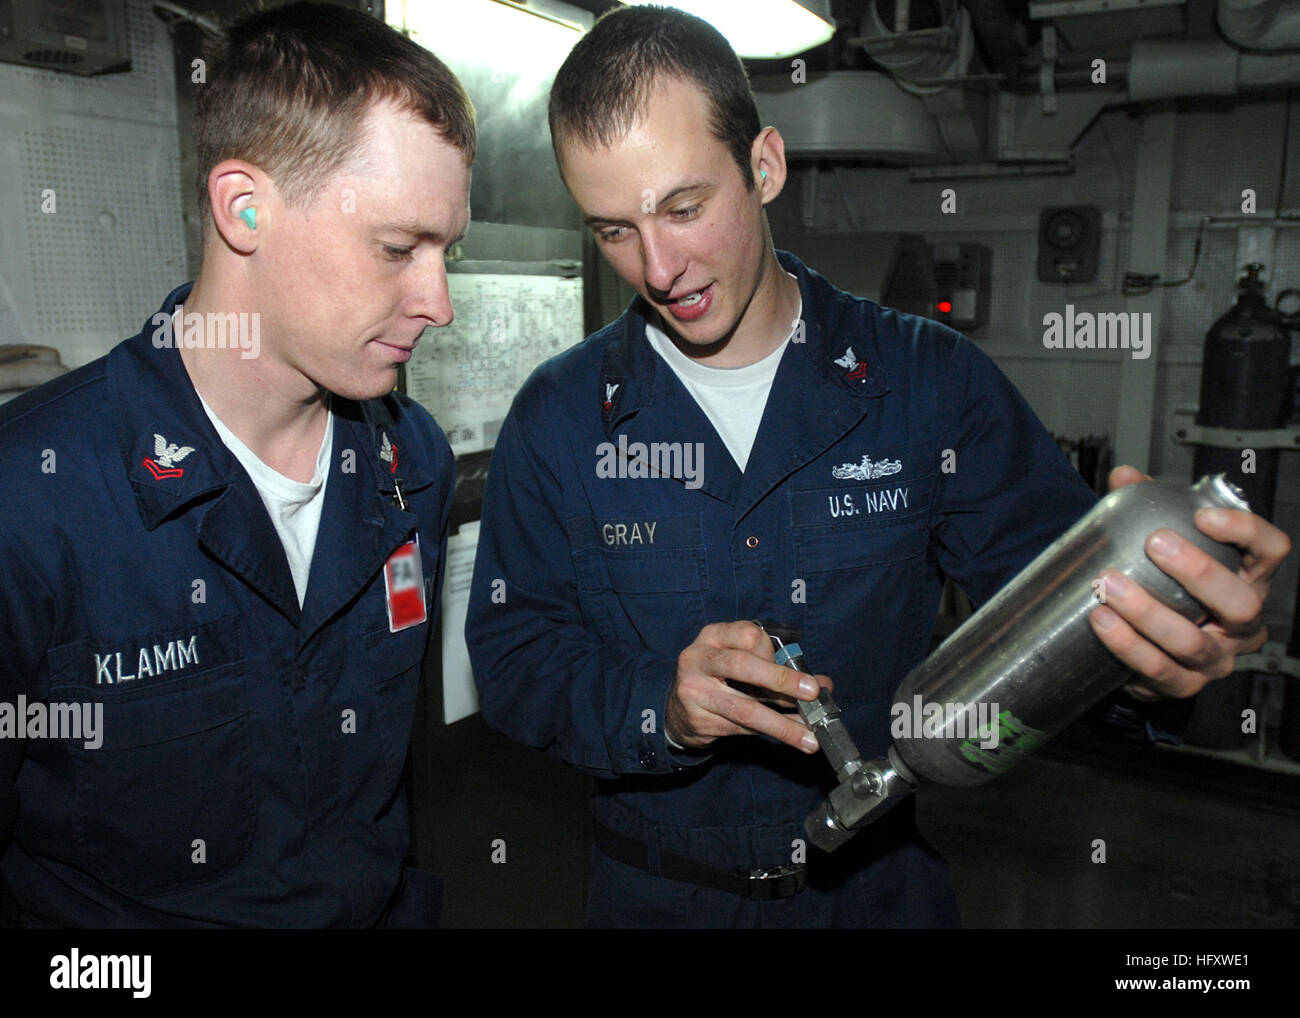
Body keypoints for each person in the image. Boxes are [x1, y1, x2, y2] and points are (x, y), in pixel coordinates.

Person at [465, 4, 1290, 928]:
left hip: (875, 900)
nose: (658, 267)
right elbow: (515, 657)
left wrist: (1153, 655)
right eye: (613, 229)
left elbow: (1072, 624)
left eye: (684, 208)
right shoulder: (561, 416)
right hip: (655, 901)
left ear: (765, 165)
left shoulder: (929, 386)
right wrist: (661, 707)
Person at [0, 3, 474, 927]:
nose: (439, 303)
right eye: (396, 248)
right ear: (244, 208)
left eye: (445, 251)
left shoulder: (409, 463)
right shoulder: (33, 502)